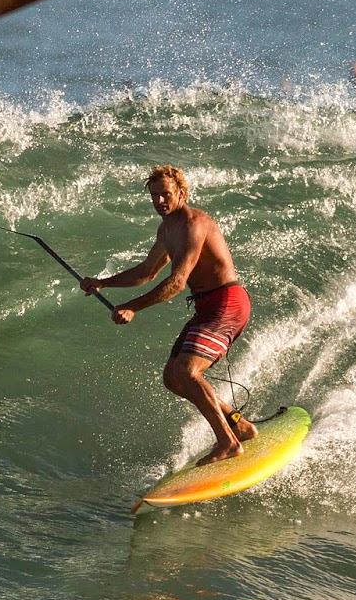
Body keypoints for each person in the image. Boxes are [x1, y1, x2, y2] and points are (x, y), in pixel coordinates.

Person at [81, 165, 258, 464]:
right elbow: (147, 272)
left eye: (165, 195)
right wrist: (102, 282)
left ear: (181, 193)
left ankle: (227, 443)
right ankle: (238, 426)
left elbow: (176, 282)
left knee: (188, 372)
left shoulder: (194, 224)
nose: (159, 202)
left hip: (227, 302)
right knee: (173, 378)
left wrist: (133, 307)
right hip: (206, 306)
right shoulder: (166, 229)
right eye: (154, 196)